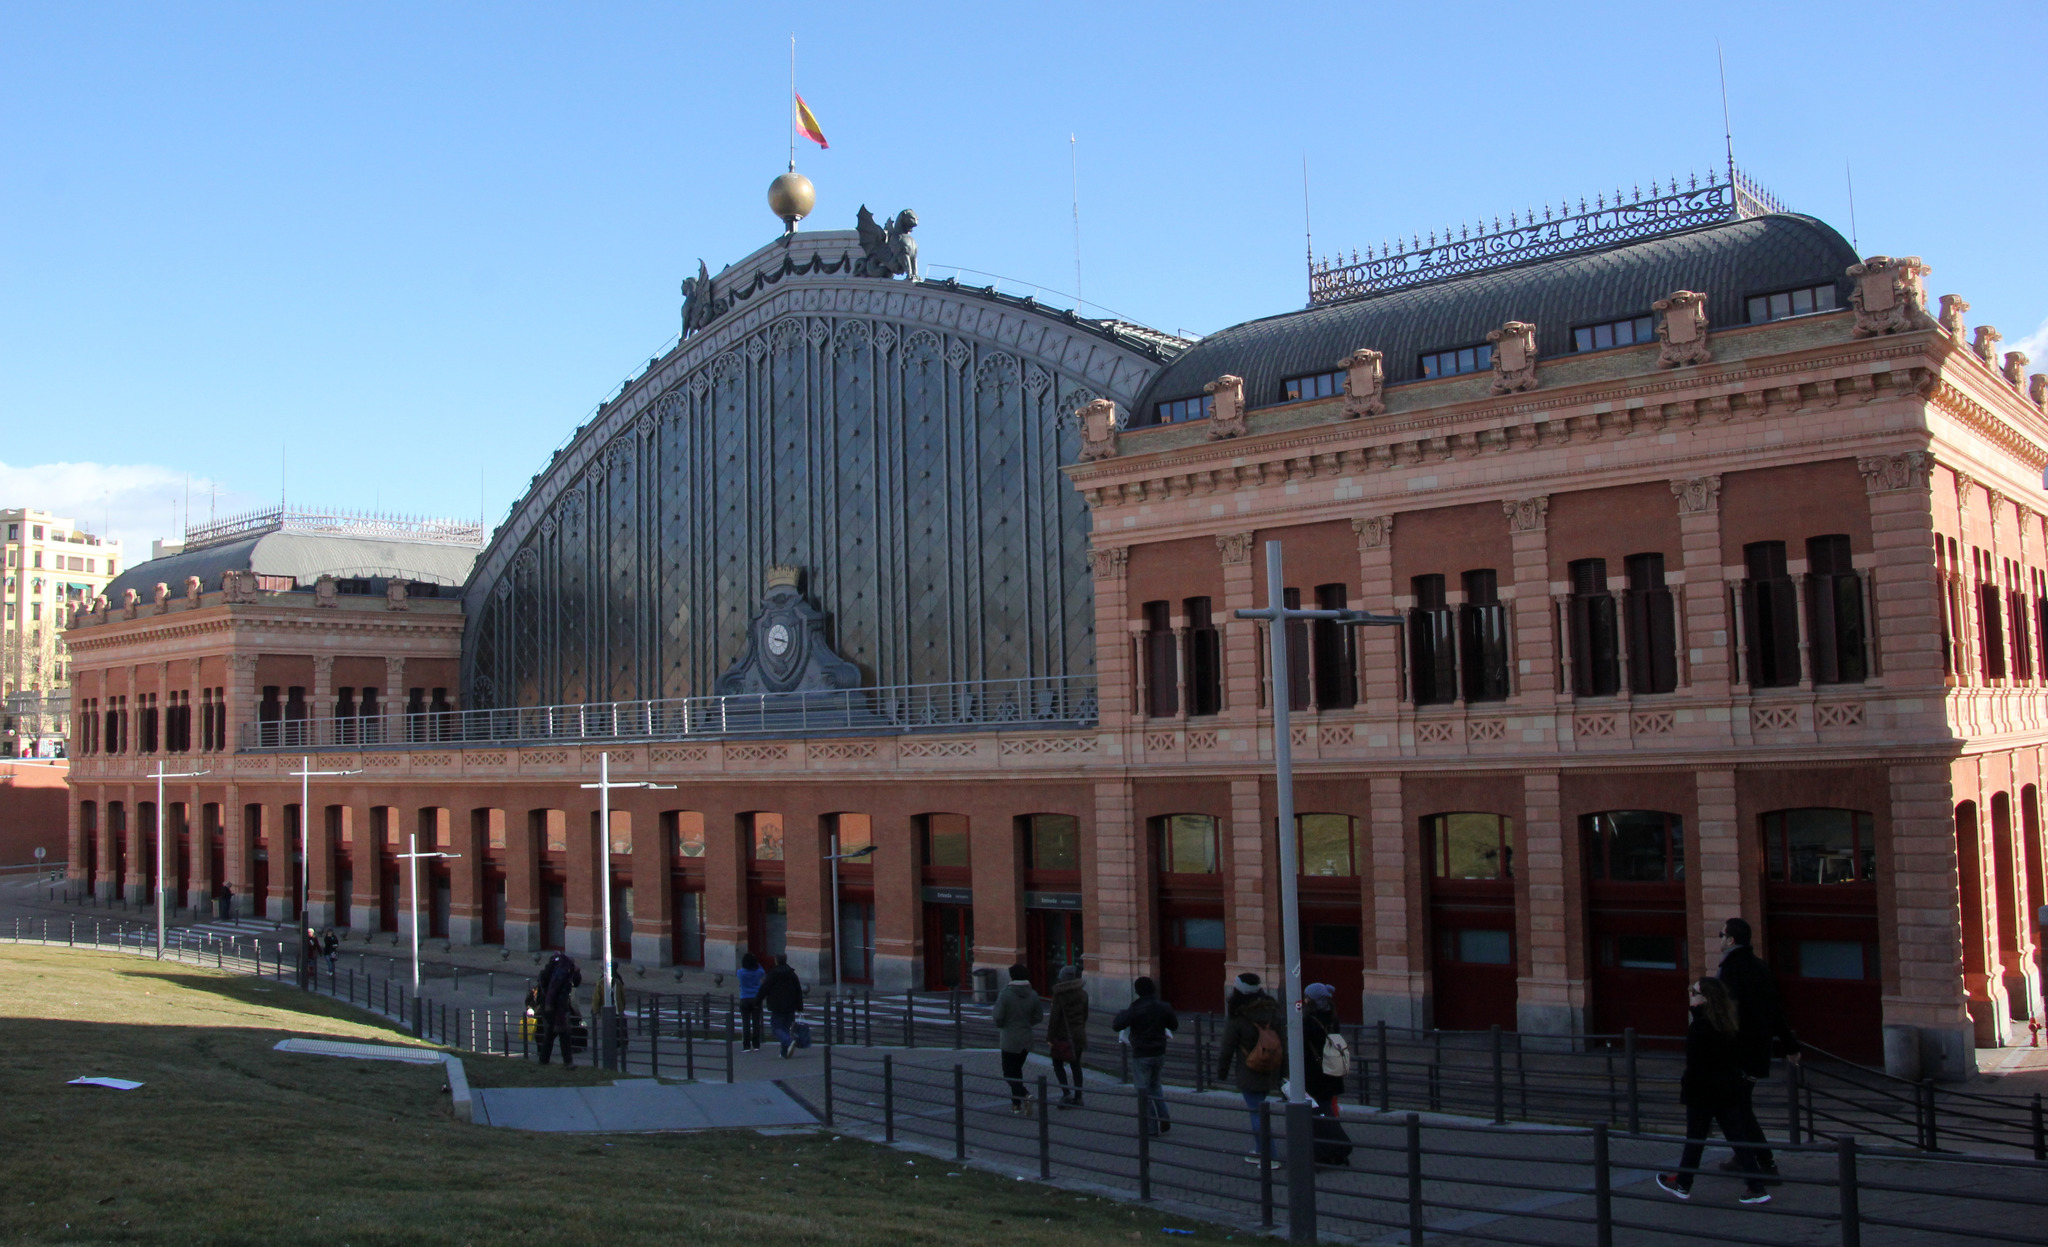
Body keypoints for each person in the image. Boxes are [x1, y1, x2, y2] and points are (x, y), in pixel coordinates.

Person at [1657, 978, 1771, 1204]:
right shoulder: (1726, 1023)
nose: (1691, 995)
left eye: (1695, 992)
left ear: (1706, 999)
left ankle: (1683, 1183)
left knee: (1696, 1139)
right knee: (1737, 1138)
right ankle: (1756, 1185)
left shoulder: (1700, 1026)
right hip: (1727, 1090)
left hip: (1703, 1092)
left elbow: (1696, 1064)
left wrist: (1687, 1088)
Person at [1717, 916, 1798, 1182]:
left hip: (1737, 1052)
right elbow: (1776, 1010)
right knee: (1738, 1105)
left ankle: (1764, 1161)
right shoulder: (1761, 968)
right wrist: (1790, 1045)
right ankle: (1745, 1156)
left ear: (1730, 940)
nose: (1719, 939)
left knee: (1738, 1106)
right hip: (1757, 1051)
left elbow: (1725, 1014)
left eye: (1721, 934)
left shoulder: (1730, 970)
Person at [1216, 973, 1286, 1167]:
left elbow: (1227, 1047)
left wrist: (1221, 1072)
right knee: (1259, 1109)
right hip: (1271, 1067)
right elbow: (1284, 1043)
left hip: (1250, 1069)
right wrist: (1284, 1072)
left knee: (1257, 1114)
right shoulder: (1272, 1010)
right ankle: (1259, 1149)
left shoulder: (1238, 1016)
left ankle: (1269, 1156)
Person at [1112, 976, 1178, 1135]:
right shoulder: (1163, 1006)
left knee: (1143, 1090)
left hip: (1142, 1053)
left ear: (1137, 991)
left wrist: (1123, 1014)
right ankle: (1164, 1115)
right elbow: (1173, 1025)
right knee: (1155, 1086)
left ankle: (1151, 1127)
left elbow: (1117, 1025)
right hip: (1159, 1051)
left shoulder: (1135, 1008)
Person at [991, 963, 1043, 1116]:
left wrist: (1003, 1024)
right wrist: (1027, 1023)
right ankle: (1016, 1104)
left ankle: (1025, 1095)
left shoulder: (1006, 994)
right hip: (1026, 1039)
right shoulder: (1033, 994)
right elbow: (1038, 1016)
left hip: (1009, 1040)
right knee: (1016, 1071)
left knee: (1008, 1073)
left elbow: (997, 1016)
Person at [1045, 964, 1090, 1107]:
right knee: (1076, 1065)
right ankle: (1079, 1096)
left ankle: (1066, 1093)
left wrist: (1050, 1038)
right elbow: (1085, 1015)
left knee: (1057, 1063)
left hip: (1062, 1036)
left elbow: (1054, 1019)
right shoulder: (1083, 994)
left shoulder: (1060, 995)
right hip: (1078, 1035)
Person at [1302, 982, 1345, 1109]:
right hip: (1331, 1068)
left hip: (1314, 1071)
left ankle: (1328, 1128)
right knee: (1326, 1104)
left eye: (1307, 997)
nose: (1305, 999)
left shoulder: (1308, 1020)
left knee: (1317, 1109)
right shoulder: (1332, 1018)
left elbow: (1304, 1044)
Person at [535, 951, 582, 1067]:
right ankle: (567, 1062)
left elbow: (575, 983)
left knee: (552, 1034)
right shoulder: (563, 971)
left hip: (553, 1007)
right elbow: (553, 990)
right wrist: (550, 1006)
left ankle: (544, 1061)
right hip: (556, 1008)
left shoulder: (562, 970)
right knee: (563, 1033)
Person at [760, 954, 805, 1058]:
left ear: (776, 961)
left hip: (777, 1006)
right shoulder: (792, 975)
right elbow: (798, 991)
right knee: (784, 1029)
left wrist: (757, 1001)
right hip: (790, 1006)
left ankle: (789, 1042)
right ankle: (784, 1052)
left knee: (776, 1028)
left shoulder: (772, 974)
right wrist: (799, 1007)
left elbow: (765, 988)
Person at [737, 951, 766, 1052]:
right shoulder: (758, 972)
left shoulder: (740, 972)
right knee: (756, 1022)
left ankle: (746, 1046)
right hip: (756, 998)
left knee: (745, 1023)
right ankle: (756, 1045)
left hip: (744, 998)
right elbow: (763, 971)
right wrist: (756, 963)